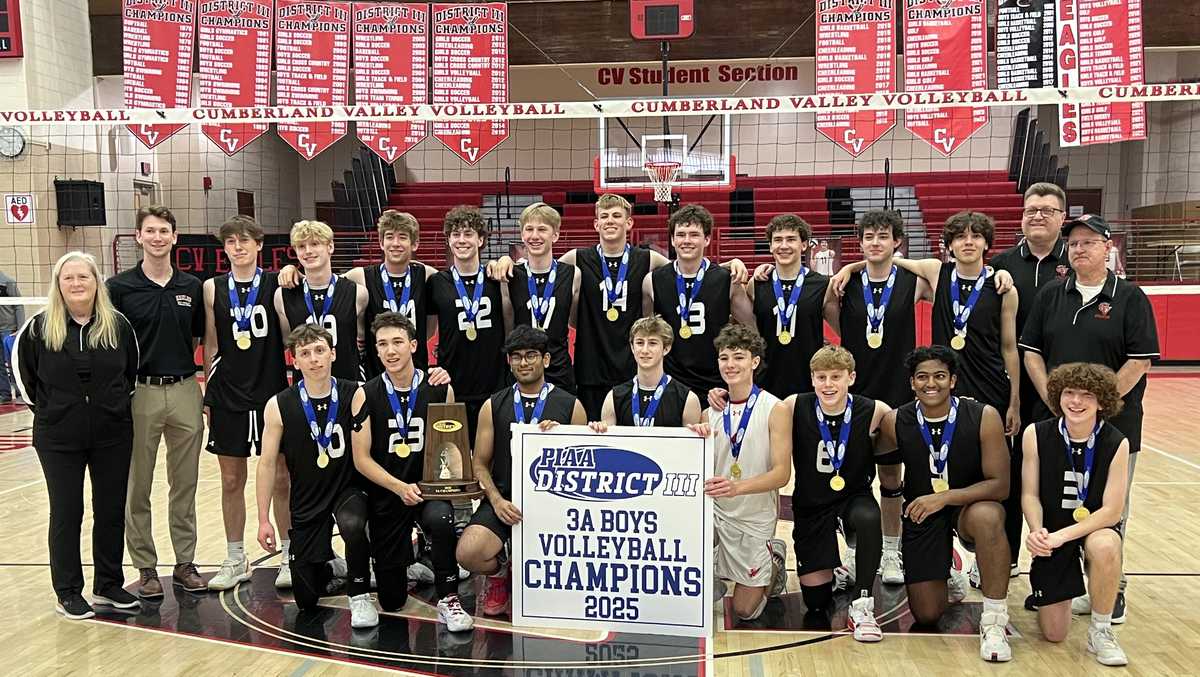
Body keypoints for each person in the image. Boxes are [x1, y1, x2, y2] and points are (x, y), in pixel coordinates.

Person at [1019, 213, 1159, 623]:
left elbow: (1139, 361)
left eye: (1089, 242)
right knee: (1058, 502)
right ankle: (1061, 586)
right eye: (1074, 243)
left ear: (1107, 248)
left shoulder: (1130, 297)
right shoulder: (1051, 295)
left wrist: (1100, 405)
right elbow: (1032, 352)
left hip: (1115, 426)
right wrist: (1054, 399)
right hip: (1060, 425)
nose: (1079, 249)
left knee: (1113, 510)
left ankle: (1110, 589)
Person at [14, 251, 141, 619]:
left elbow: (129, 375)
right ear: (58, 284)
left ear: (96, 281)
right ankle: (68, 591)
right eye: (68, 278)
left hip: (112, 432)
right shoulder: (39, 328)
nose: (76, 283)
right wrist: (58, 412)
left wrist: (109, 408)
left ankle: (108, 584)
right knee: (67, 511)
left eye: (83, 277)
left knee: (111, 509)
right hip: (59, 436)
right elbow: (25, 380)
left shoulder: (117, 325)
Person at [876, 346, 1012, 663]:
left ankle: (993, 621)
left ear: (953, 380)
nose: (930, 383)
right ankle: (944, 573)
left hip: (968, 506)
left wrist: (945, 497)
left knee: (988, 516)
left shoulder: (983, 416)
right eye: (922, 377)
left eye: (939, 376)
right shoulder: (896, 421)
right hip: (923, 512)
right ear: (912, 383)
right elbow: (887, 474)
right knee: (926, 614)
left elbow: (1000, 486)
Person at [815, 209, 928, 585]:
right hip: (854, 395)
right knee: (848, 476)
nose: (875, 243)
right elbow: (833, 317)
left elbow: (941, 270)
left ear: (897, 241)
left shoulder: (912, 281)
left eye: (883, 236)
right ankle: (855, 551)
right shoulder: (844, 286)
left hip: (897, 392)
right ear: (859, 242)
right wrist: (848, 270)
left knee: (892, 476)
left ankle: (892, 551)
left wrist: (889, 261)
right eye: (868, 238)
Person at [350, 312, 473, 631]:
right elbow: (361, 459)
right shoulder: (366, 393)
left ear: (414, 345)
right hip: (388, 491)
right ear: (375, 351)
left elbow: (452, 450)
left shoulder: (439, 388)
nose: (390, 351)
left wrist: (442, 487)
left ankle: (449, 599)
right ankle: (411, 560)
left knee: (440, 519)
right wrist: (398, 487)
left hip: (428, 489)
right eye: (382, 344)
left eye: (397, 342)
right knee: (392, 600)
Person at [106, 205, 207, 598]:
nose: (158, 237)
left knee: (185, 484)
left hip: (184, 388)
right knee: (138, 485)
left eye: (164, 230)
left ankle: (185, 562)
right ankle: (146, 568)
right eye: (150, 231)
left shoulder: (191, 287)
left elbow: (199, 340)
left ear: (175, 237)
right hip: (140, 392)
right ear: (138, 236)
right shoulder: (119, 287)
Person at [456, 325, 585, 616]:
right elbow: (479, 463)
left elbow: (584, 466)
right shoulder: (493, 404)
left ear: (546, 360)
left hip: (554, 506)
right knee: (468, 553)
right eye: (516, 357)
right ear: (509, 362)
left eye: (530, 356)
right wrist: (497, 501)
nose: (523, 363)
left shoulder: (570, 405)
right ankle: (500, 572)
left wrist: (563, 439)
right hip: (505, 500)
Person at [202, 216, 293, 591]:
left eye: (245, 241)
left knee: (283, 477)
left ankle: (289, 554)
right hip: (228, 394)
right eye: (231, 242)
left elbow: (291, 334)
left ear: (259, 245)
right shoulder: (212, 288)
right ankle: (235, 556)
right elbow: (210, 344)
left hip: (270, 391)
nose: (238, 247)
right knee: (230, 479)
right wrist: (208, 392)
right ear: (224, 249)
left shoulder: (276, 282)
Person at [256, 325, 367, 626]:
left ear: (333, 353)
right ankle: (329, 568)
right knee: (306, 598)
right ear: (295, 360)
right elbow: (266, 464)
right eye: (305, 353)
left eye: (320, 350)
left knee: (353, 522)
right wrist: (264, 518)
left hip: (347, 489)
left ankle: (359, 594)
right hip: (307, 497)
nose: (314, 359)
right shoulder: (278, 405)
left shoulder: (355, 392)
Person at [1022, 363, 1130, 667]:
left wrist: (1061, 536)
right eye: (1069, 393)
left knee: (1106, 545)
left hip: (1093, 528)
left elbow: (1112, 511)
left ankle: (1101, 630)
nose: (1076, 402)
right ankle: (1066, 592)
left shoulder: (1116, 442)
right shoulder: (1036, 434)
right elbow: (1029, 494)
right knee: (1054, 633)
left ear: (1102, 401)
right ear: (1058, 395)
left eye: (1087, 395)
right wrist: (1037, 531)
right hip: (1052, 532)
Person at [990, 182, 1071, 579]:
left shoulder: (1073, 262)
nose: (1037, 215)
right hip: (1013, 387)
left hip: (1063, 390)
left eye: (1047, 210)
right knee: (1008, 475)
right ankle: (1001, 560)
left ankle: (1049, 562)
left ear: (1062, 218)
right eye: (1031, 209)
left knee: (1053, 479)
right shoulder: (1002, 264)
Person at [786, 345, 890, 642]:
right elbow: (756, 407)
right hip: (811, 505)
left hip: (852, 499)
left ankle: (862, 604)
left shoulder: (874, 411)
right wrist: (722, 397)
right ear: (812, 379)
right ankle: (834, 570)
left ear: (851, 377)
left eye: (836, 376)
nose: (828, 384)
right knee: (816, 602)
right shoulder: (794, 406)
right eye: (821, 377)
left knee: (869, 517)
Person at [691, 324, 791, 622]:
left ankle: (774, 559)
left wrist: (738, 487)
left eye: (739, 357)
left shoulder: (776, 408)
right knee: (686, 547)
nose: (731, 365)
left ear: (755, 361)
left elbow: (782, 474)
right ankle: (712, 572)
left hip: (754, 515)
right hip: (716, 512)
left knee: (746, 611)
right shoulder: (709, 412)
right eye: (724, 358)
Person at [643, 204, 754, 401]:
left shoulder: (726, 280)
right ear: (672, 239)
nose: (687, 240)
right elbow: (646, 332)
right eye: (681, 234)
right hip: (669, 383)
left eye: (694, 234)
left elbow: (752, 331)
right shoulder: (652, 281)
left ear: (707, 239)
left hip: (715, 385)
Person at [427, 206, 507, 440]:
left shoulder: (497, 278)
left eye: (468, 234)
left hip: (494, 385)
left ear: (481, 239)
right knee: (454, 459)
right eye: (455, 234)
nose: (462, 240)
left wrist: (504, 259)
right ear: (449, 240)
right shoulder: (436, 282)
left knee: (492, 457)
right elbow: (427, 332)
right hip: (452, 385)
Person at [747, 215, 836, 398]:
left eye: (791, 239)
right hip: (765, 383)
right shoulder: (756, 284)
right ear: (771, 246)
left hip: (808, 384)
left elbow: (844, 331)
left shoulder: (822, 285)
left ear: (804, 245)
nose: (784, 246)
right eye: (778, 240)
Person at [346, 210, 437, 379]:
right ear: (381, 242)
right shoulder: (360, 276)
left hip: (417, 373)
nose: (395, 243)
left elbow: (430, 330)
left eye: (402, 237)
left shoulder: (427, 275)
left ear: (414, 244)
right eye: (389, 237)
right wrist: (293, 271)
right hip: (375, 376)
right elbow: (320, 282)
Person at [275, 220, 369, 382]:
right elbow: (286, 340)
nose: (308, 251)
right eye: (301, 246)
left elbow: (364, 336)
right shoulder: (282, 296)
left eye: (315, 244)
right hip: (304, 388)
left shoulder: (357, 293)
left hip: (348, 384)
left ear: (330, 247)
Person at [500, 202, 580, 392]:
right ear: (522, 235)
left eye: (542, 229)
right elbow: (508, 327)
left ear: (556, 235)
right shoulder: (510, 275)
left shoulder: (573, 274)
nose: (534, 236)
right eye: (529, 229)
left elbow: (574, 320)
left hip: (559, 369)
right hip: (522, 370)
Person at [595, 315, 701, 428]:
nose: (645, 350)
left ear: (666, 348)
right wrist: (597, 430)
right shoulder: (614, 397)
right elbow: (607, 443)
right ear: (632, 347)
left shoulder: (687, 399)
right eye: (640, 343)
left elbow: (692, 445)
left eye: (652, 343)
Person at [0, 267, 25, 404]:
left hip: (9, 330)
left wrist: (20, 328)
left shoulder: (8, 282)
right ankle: (4, 394)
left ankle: (21, 392)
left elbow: (19, 306)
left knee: (13, 362)